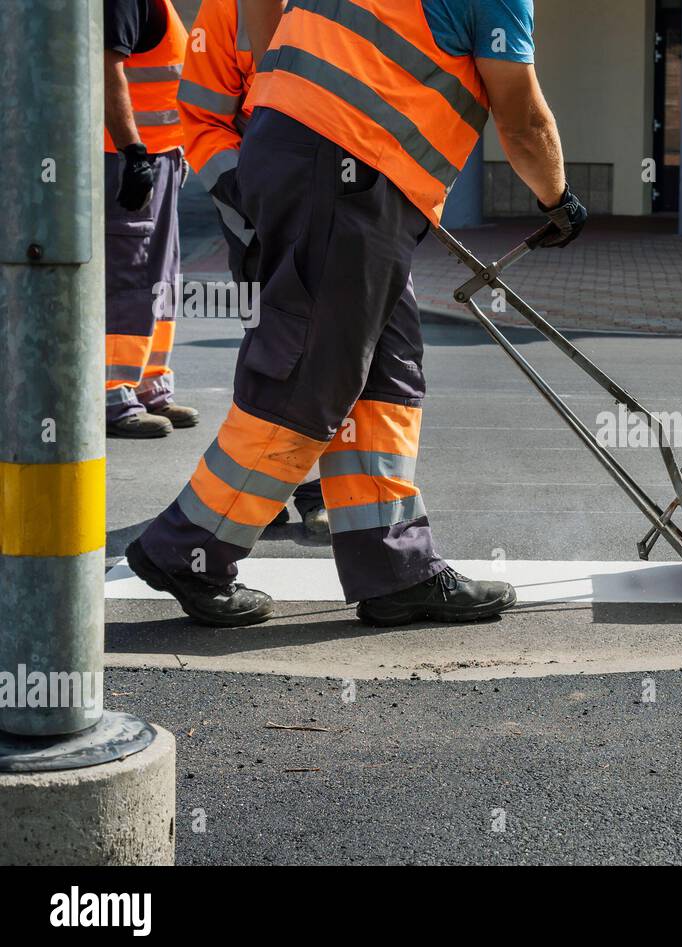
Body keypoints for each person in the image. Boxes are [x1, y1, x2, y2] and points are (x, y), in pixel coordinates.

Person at [127, 0, 587, 627]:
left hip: (336, 164)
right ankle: (186, 550)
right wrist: (558, 198)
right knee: (310, 377)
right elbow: (522, 117)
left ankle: (395, 569)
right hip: (345, 168)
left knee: (385, 373)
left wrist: (275, 85)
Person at [177, 0, 328, 537]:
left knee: (350, 353)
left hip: (348, 209)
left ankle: (324, 491)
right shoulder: (230, 9)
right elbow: (202, 119)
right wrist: (250, 194)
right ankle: (281, 492)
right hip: (260, 217)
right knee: (280, 352)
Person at [104, 0, 200, 438]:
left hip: (161, 158)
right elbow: (106, 66)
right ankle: (112, 393)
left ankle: (149, 384)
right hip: (127, 160)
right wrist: (133, 153)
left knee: (161, 276)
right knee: (130, 276)